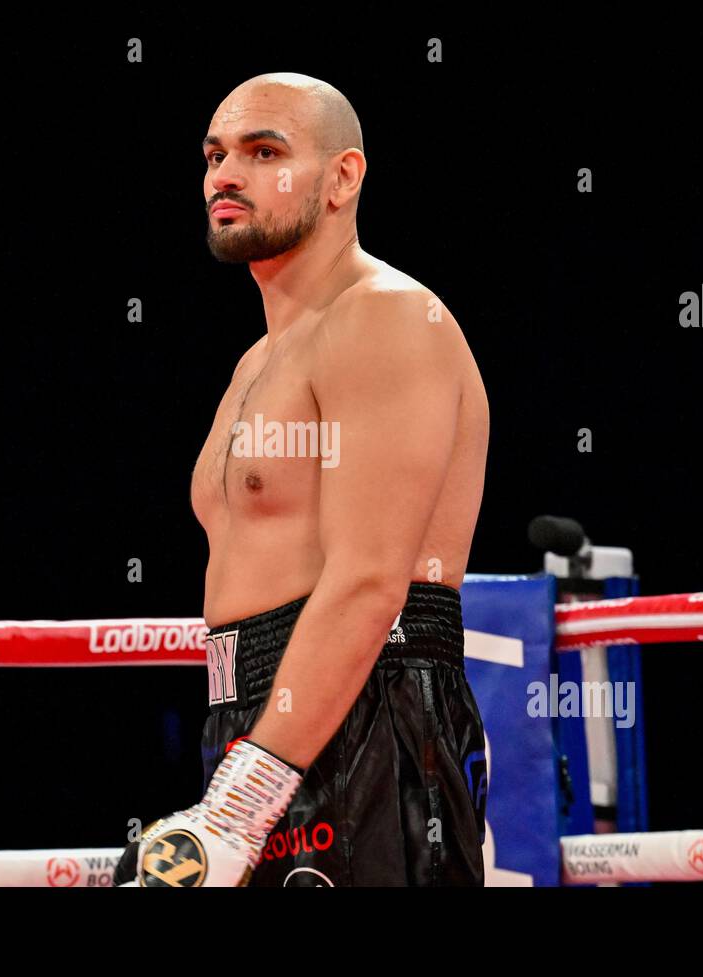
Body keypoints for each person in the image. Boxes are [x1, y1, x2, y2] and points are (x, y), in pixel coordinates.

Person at [118, 72, 490, 886]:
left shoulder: (385, 315)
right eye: (216, 155)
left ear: (341, 178)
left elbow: (367, 581)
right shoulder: (258, 360)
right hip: (260, 717)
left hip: (369, 713)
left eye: (263, 151)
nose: (225, 174)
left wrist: (238, 804)